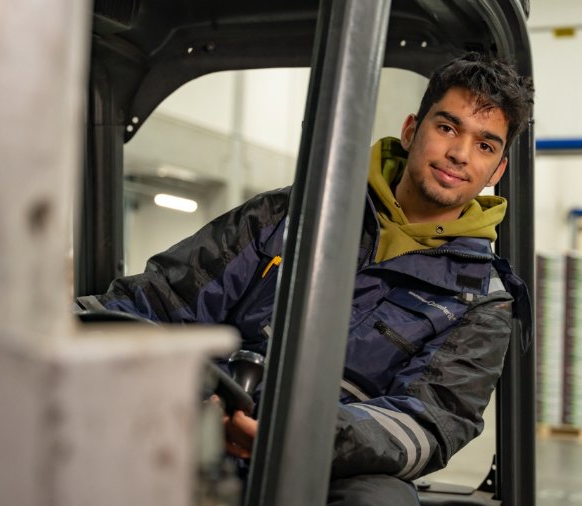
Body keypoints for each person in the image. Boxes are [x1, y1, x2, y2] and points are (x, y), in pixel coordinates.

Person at [76, 52, 533, 505]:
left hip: (330, 466)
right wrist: (61, 326)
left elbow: (428, 423)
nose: (459, 153)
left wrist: (302, 433)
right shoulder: (287, 217)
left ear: (497, 170)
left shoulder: (481, 300)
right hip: (202, 421)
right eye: (447, 127)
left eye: (485, 145)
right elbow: (158, 302)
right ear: (413, 129)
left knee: (382, 501)